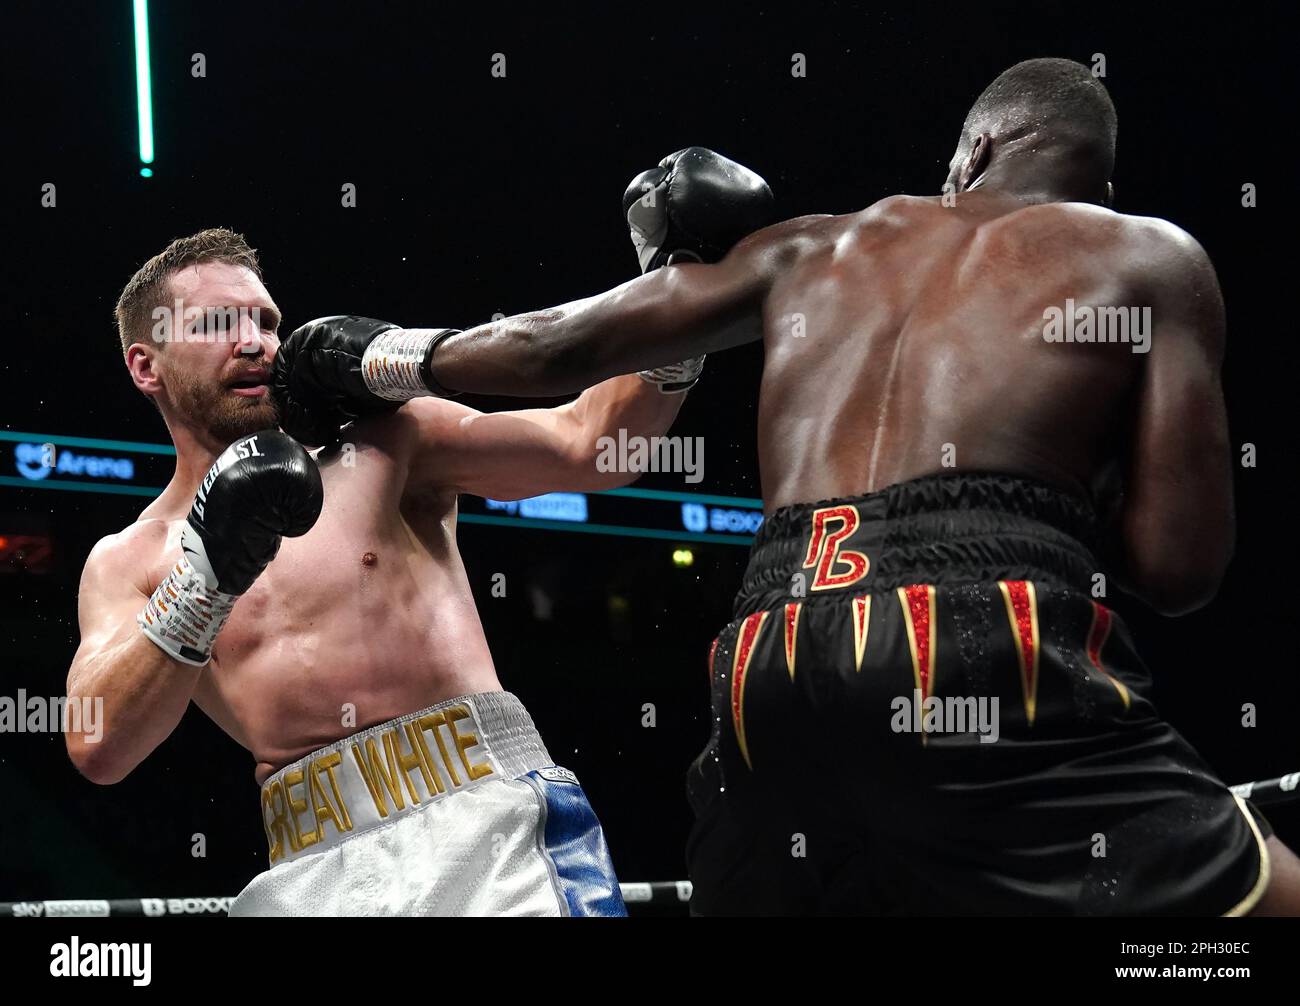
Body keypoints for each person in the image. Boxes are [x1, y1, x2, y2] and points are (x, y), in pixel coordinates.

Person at [272, 63, 1300, 915]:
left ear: (973, 153)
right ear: (1094, 186)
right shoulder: (1152, 257)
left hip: (770, 657)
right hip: (986, 638)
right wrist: (1070, 480)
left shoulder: (819, 243)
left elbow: (556, 345)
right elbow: (1179, 567)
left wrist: (365, 355)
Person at [63, 215, 741, 915]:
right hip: (308, 871)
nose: (255, 343)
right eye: (218, 324)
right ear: (147, 365)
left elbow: (594, 441)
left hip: (487, 825)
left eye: (266, 322)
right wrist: (202, 578)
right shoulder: (131, 560)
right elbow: (98, 744)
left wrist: (678, 289)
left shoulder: (386, 444)